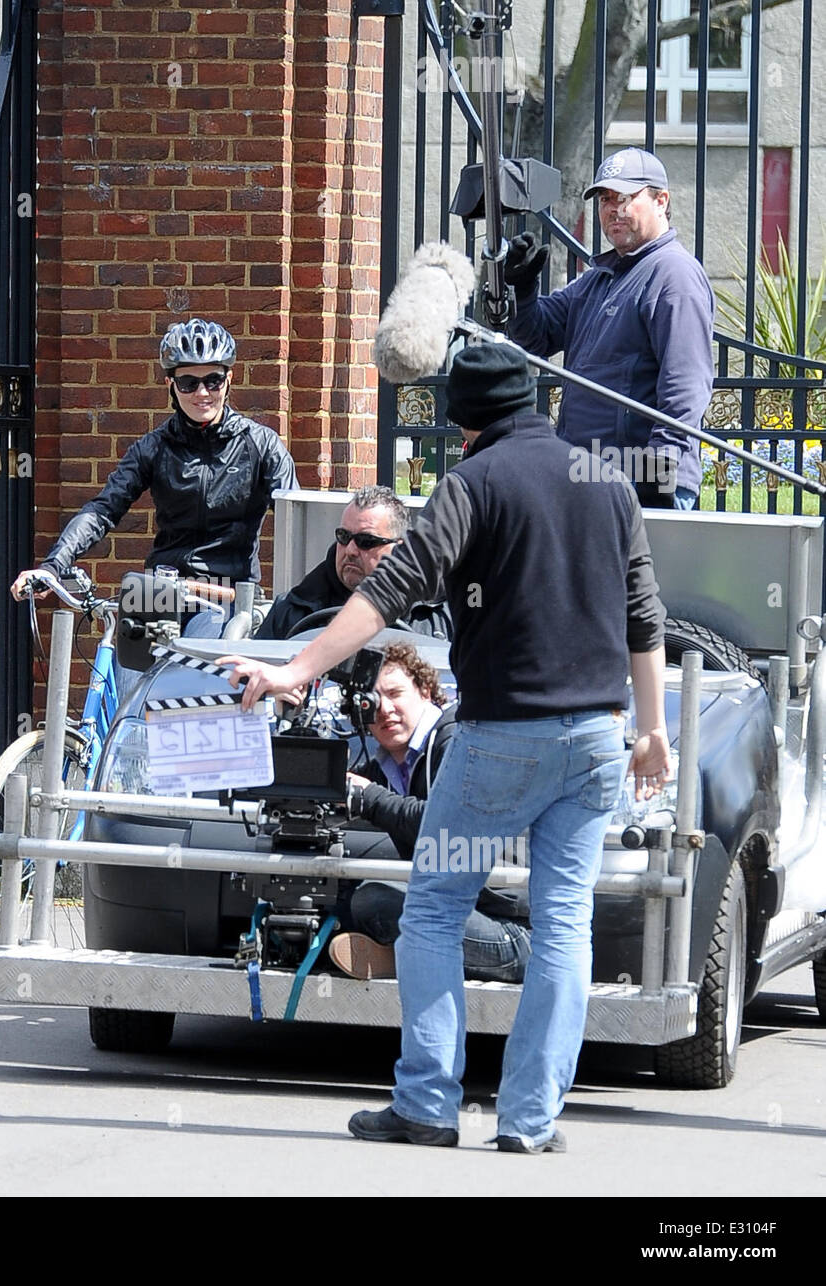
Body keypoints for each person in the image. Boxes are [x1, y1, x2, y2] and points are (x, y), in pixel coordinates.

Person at [223, 340, 670, 1155]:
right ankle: (531, 1123)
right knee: (565, 924)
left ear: (466, 424)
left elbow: (392, 588)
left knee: (431, 911)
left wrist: (296, 665)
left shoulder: (476, 483)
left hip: (504, 738)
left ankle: (428, 1102)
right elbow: (646, 613)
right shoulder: (604, 478)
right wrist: (654, 729)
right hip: (602, 739)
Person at [11, 318, 297, 632]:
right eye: (189, 382)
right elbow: (103, 509)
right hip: (162, 591)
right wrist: (54, 565)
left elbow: (294, 519)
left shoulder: (259, 445)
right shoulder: (154, 447)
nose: (202, 393)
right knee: (126, 670)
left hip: (227, 594)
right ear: (170, 385)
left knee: (198, 666)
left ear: (229, 380)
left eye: (212, 381)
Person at [505, 146, 714, 510]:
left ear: (661, 200)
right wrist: (523, 292)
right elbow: (535, 337)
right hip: (585, 477)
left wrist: (659, 474)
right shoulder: (600, 277)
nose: (613, 209)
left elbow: (686, 385)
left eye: (625, 198)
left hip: (638, 485)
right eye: (605, 199)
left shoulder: (673, 274)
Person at [330, 643, 531, 984]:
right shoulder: (385, 762)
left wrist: (371, 799)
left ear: (425, 691)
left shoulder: (459, 738)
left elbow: (448, 825)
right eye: (373, 700)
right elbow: (344, 794)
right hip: (459, 911)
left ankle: (404, 958)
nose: (385, 710)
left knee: (375, 898)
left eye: (395, 694)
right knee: (341, 894)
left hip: (513, 933)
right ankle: (405, 955)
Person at [256, 485, 450, 641]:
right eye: (344, 536)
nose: (350, 550)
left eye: (366, 541)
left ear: (398, 549)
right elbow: (250, 681)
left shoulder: (437, 615)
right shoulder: (293, 610)